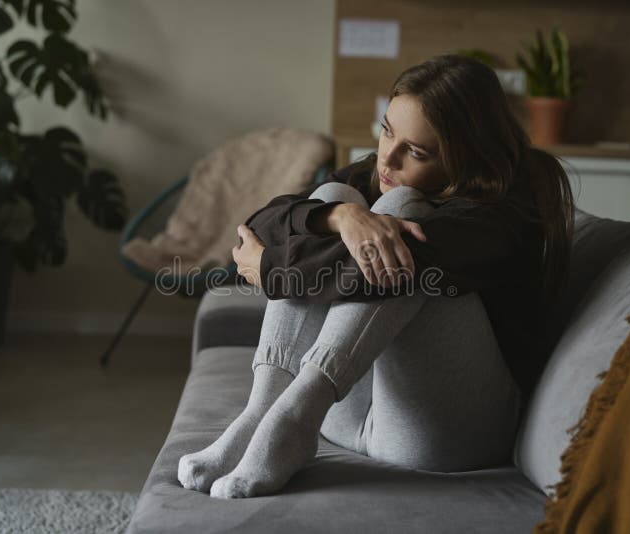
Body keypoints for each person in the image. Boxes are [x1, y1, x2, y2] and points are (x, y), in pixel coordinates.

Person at [177, 55, 575, 499]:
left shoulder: (506, 209)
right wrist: (341, 217)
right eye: (387, 130)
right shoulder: (379, 170)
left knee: (401, 213)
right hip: (347, 419)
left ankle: (292, 419)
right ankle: (263, 412)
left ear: (466, 159)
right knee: (332, 196)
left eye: (417, 152)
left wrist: (270, 268)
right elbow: (263, 224)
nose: (389, 158)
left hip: (447, 436)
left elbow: (388, 272)